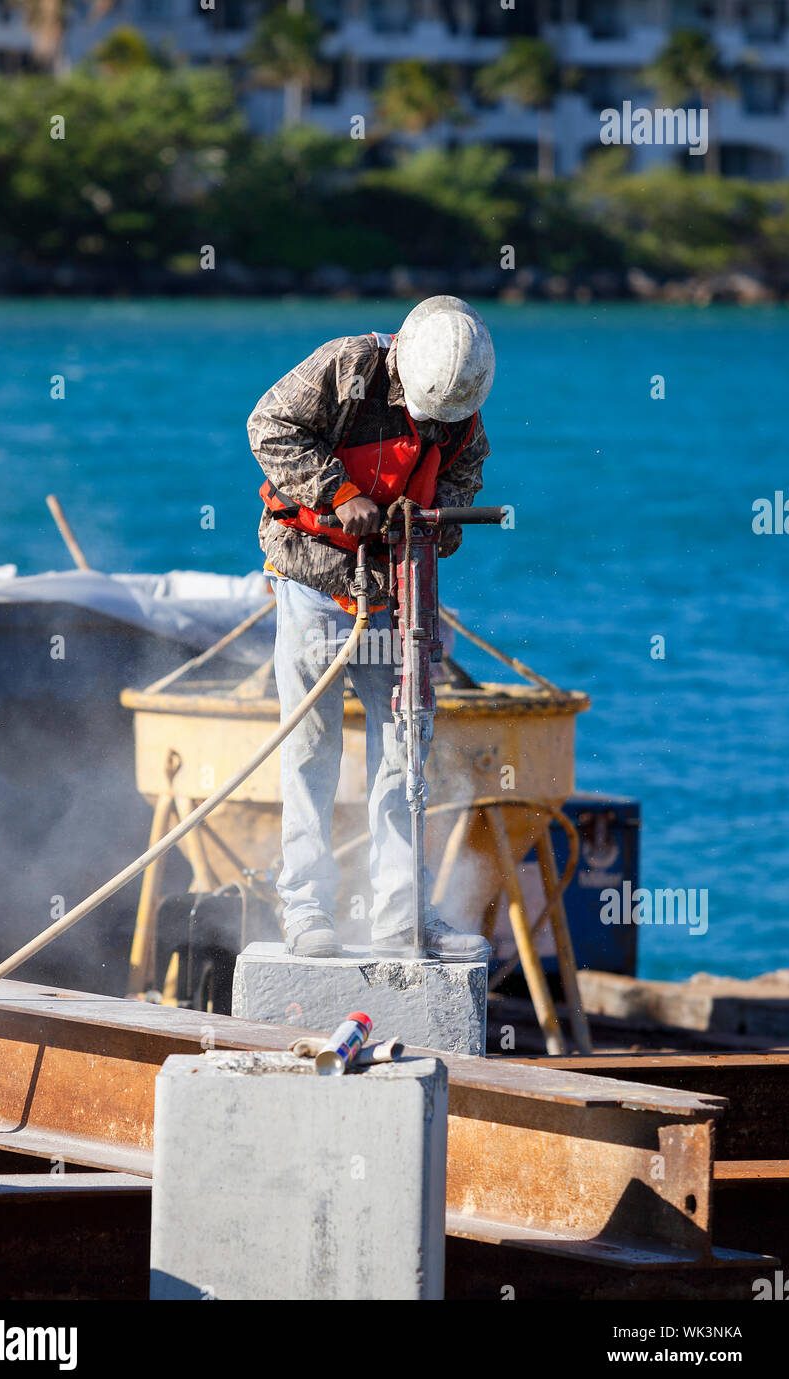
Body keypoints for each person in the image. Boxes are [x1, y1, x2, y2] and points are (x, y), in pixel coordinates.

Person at [247, 296, 495, 960]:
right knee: (311, 749)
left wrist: (435, 518)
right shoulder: (346, 366)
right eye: (420, 409)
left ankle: (401, 915)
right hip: (312, 577)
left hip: (395, 589)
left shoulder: (458, 404)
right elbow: (268, 426)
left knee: (405, 745)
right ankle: (304, 908)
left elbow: (465, 478)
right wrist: (339, 494)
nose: (427, 422)